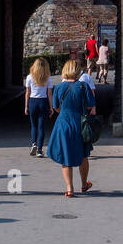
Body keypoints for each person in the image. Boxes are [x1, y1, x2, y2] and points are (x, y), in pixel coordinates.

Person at [48, 60, 96, 197]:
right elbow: (90, 105)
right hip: (80, 123)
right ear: (78, 71)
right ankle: (84, 184)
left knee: (65, 155)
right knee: (83, 155)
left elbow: (56, 107)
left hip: (63, 123)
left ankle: (69, 188)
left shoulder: (58, 87)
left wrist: (64, 112)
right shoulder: (83, 86)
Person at [23, 57, 54, 157]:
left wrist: (26, 106)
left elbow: (27, 92)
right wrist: (51, 107)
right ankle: (39, 150)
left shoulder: (29, 77)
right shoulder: (48, 77)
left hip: (33, 101)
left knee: (34, 125)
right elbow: (49, 94)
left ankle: (33, 144)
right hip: (43, 101)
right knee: (41, 127)